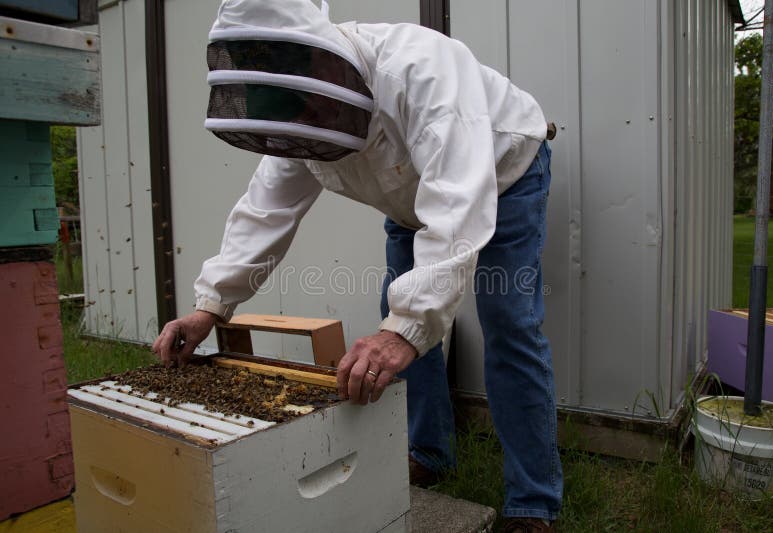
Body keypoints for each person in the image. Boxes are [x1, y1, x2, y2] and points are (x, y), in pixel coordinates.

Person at [152, 0, 562, 529]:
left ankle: (532, 502)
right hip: (409, 198)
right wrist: (210, 306)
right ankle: (431, 453)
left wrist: (406, 328)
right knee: (399, 322)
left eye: (311, 110)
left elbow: (457, 205)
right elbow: (265, 212)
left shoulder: (422, 69)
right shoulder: (294, 107)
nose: (308, 121)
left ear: (327, 66)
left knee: (508, 325)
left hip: (505, 173)